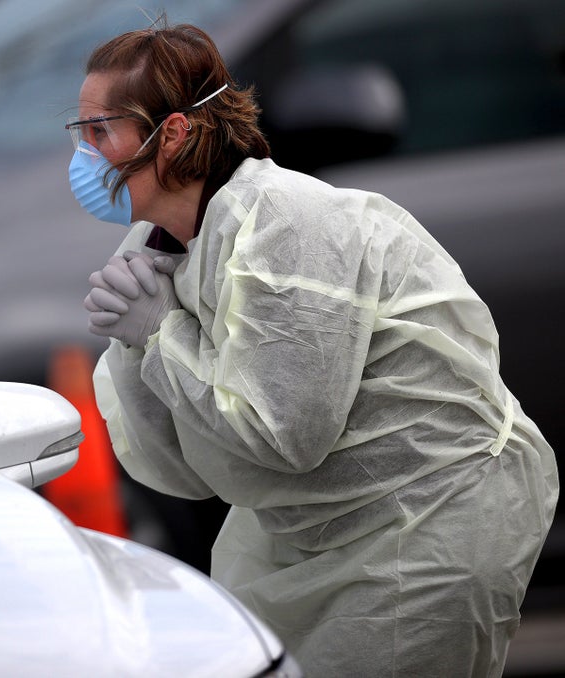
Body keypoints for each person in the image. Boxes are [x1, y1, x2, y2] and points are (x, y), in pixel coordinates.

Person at [67, 21, 559, 677]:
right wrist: (137, 348)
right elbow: (181, 471)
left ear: (174, 133)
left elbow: (282, 433)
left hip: (427, 519)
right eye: (80, 133)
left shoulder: (290, 225)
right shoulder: (155, 250)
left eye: (99, 131)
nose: (85, 155)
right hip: (309, 536)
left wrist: (159, 334)